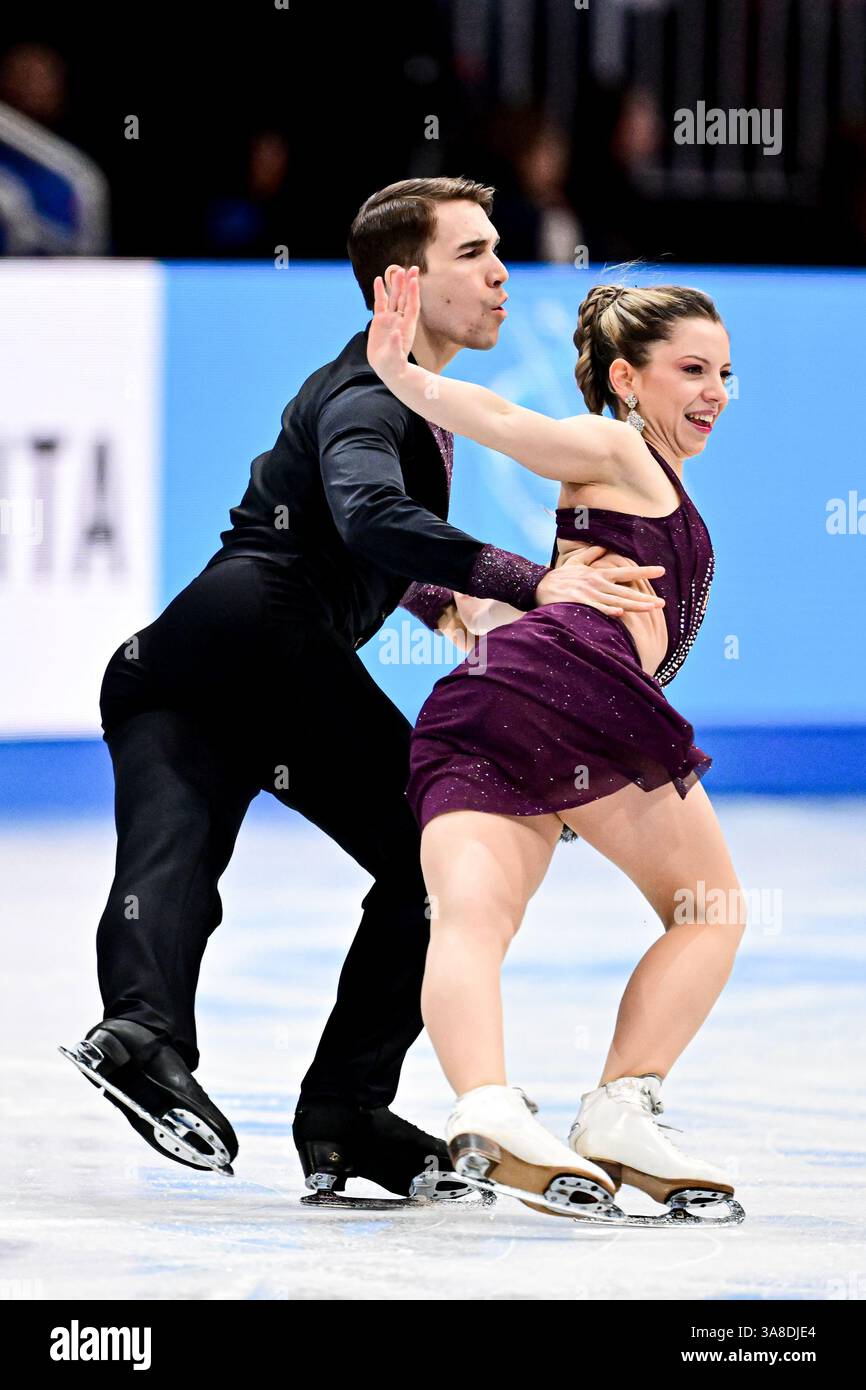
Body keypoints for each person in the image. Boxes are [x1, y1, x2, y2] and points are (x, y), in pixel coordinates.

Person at [59, 177, 666, 1201]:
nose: (500, 272)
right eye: (472, 252)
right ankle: (340, 1104)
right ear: (403, 281)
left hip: (174, 664)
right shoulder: (367, 396)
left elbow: (354, 531)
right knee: (443, 857)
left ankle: (142, 1036)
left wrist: (446, 606)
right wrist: (526, 578)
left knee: (173, 865)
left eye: (498, 249)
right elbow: (371, 512)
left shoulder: (390, 394)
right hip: (263, 636)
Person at [365, 263, 748, 1224]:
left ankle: (486, 1105)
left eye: (726, 374)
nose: (715, 394)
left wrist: (447, 603)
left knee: (472, 921)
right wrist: (407, 378)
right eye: (692, 370)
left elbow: (498, 609)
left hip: (488, 696)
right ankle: (622, 1107)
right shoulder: (617, 450)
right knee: (710, 910)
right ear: (627, 379)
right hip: (576, 690)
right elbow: (511, 426)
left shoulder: (614, 500)